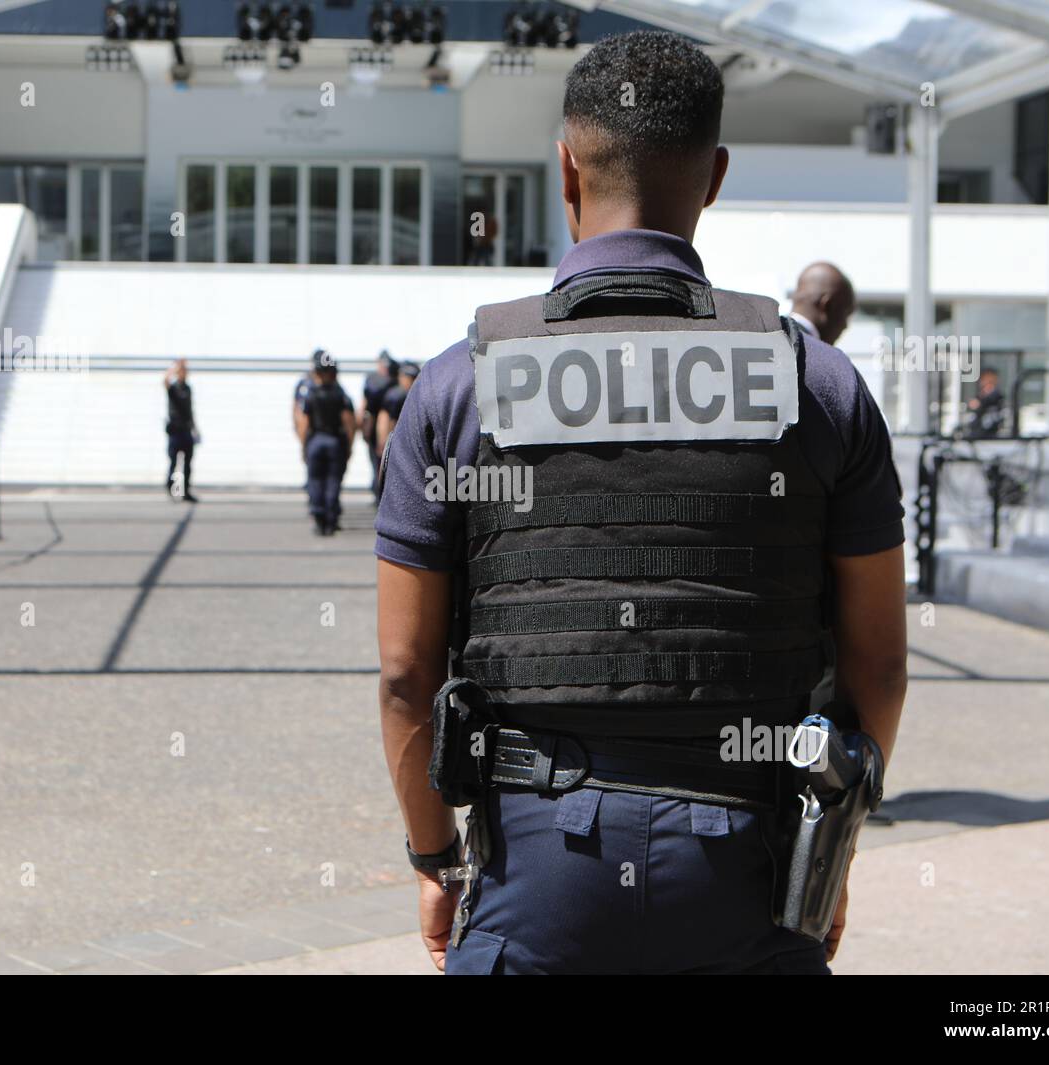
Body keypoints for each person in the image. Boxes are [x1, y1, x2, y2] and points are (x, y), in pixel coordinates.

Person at [375, 30, 908, 975]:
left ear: (566, 169)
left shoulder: (459, 386)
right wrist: (831, 857)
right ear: (715, 177)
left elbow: (406, 677)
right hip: (751, 874)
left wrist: (435, 859)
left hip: (536, 874)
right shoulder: (820, 385)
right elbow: (882, 668)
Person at [297, 349, 356, 536]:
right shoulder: (341, 395)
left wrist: (304, 445)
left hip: (316, 440)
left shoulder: (310, 395)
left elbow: (304, 423)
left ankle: (319, 516)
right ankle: (330, 518)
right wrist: (349, 445)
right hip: (334, 441)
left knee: (316, 480)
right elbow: (349, 422)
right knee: (333, 480)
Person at [360, 349, 399, 499]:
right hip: (381, 428)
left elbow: (366, 409)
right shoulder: (388, 383)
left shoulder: (374, 382)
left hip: (381, 428)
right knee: (380, 464)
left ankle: (380, 495)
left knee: (380, 464)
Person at [789, 261, 856, 347]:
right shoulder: (811, 350)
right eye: (846, 314)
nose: (845, 326)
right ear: (828, 306)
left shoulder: (774, 336)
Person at [163, 359, 198, 503]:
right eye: (182, 371)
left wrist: (195, 428)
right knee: (173, 462)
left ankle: (186, 491)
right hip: (175, 431)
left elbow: (190, 411)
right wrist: (175, 367)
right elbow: (165, 381)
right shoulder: (173, 388)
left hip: (186, 430)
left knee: (188, 463)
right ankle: (171, 488)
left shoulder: (188, 388)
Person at [374, 360, 419, 467]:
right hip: (397, 444)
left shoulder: (416, 395)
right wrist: (384, 442)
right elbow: (384, 419)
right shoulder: (396, 396)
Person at [964, 366, 1006, 439]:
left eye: (991, 380)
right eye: (986, 379)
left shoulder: (998, 398)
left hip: (992, 437)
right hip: (976, 436)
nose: (988, 383)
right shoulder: (978, 397)